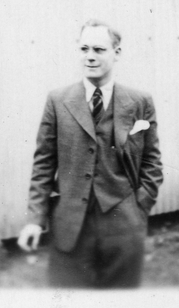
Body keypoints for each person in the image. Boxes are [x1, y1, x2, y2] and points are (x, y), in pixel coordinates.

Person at [17, 19, 162, 288]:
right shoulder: (58, 100)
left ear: (116, 53)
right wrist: (35, 220)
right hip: (70, 226)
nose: (90, 57)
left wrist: (139, 207)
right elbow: (43, 165)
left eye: (99, 49)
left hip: (123, 225)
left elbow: (152, 161)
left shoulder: (139, 101)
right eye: (84, 49)